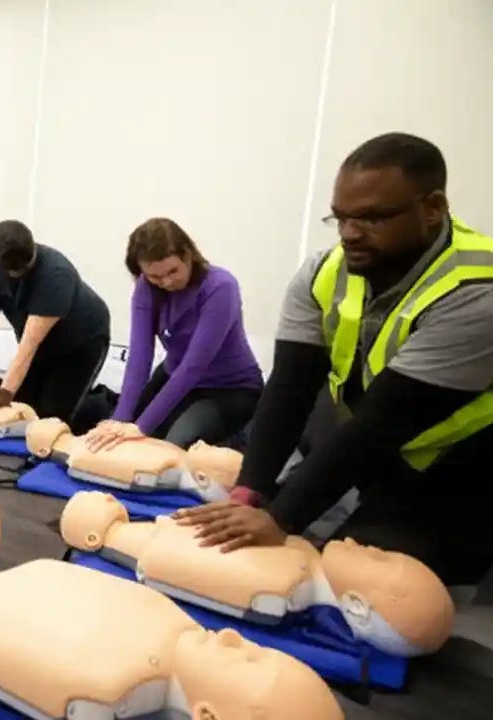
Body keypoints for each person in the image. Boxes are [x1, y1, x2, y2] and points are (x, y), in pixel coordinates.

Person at [176, 133, 493, 586]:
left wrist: (282, 517)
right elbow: (288, 390)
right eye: (340, 217)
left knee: (374, 596)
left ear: (433, 208)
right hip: (381, 445)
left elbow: (384, 422)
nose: (349, 234)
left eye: (371, 218)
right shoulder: (324, 272)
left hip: (460, 471)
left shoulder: (475, 290)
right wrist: (249, 493)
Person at [86, 219, 262, 451]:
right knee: (116, 437)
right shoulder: (146, 288)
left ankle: (237, 441)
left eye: (173, 271)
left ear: (188, 255)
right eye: (156, 277)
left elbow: (193, 366)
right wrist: (119, 420)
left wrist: (142, 427)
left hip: (230, 389)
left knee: (171, 445)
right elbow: (139, 357)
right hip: (173, 375)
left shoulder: (220, 286)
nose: (167, 282)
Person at [0, 220, 111, 424]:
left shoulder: (56, 274)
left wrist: (6, 390)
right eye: (11, 272)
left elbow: (29, 343)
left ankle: (96, 410)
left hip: (81, 343)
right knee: (18, 409)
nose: (17, 275)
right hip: (40, 347)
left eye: (23, 270)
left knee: (50, 417)